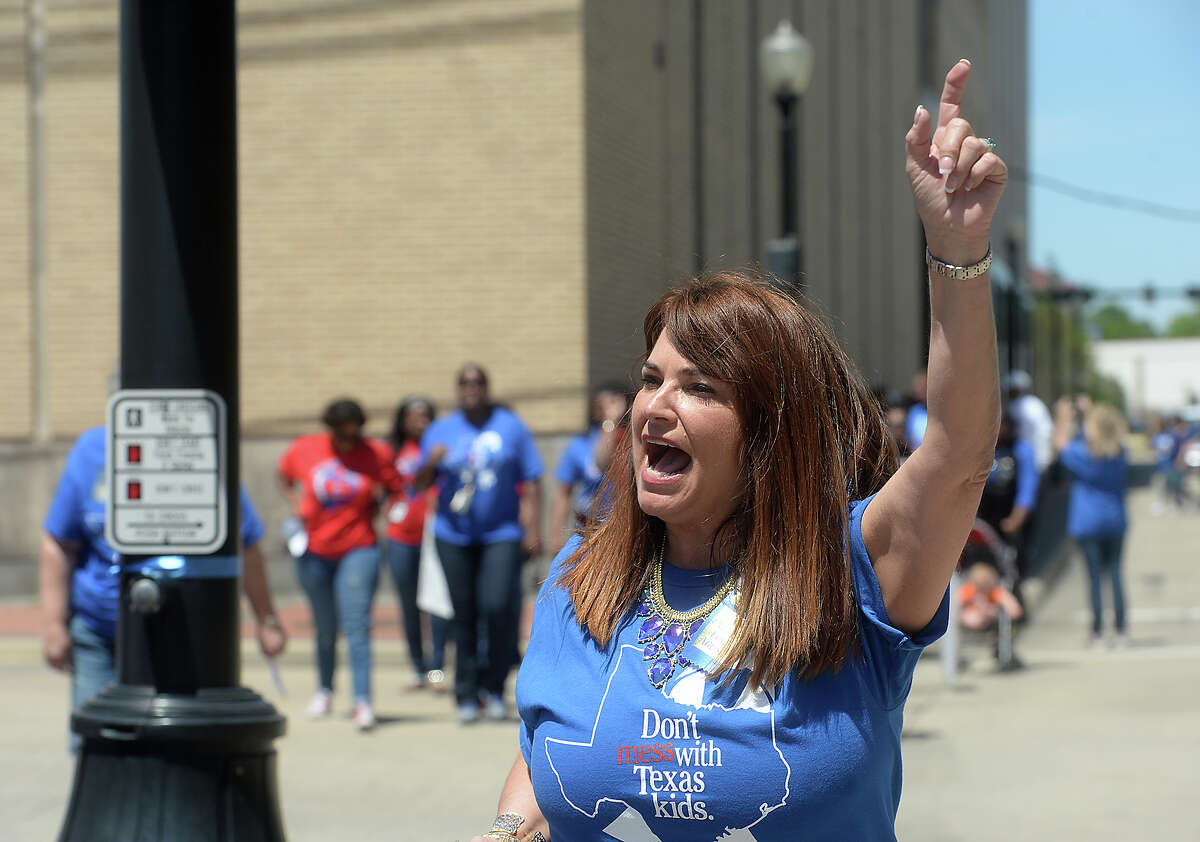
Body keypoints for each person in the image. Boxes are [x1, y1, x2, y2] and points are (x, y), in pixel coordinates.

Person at [471, 60, 1006, 841]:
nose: (655, 405)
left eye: (700, 388)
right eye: (651, 379)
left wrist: (956, 251)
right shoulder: (580, 577)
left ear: (769, 434)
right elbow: (544, 744)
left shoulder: (855, 571)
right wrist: (502, 830)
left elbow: (958, 456)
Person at [40, 426, 287, 751]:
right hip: (100, 630)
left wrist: (266, 620)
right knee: (96, 742)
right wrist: (54, 626)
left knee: (175, 746)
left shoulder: (198, 447)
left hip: (182, 634)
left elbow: (246, 543)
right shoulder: (92, 449)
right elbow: (59, 542)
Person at [418, 364, 544, 724]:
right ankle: (467, 692)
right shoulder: (442, 429)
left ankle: (494, 686)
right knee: (464, 613)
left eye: (477, 382)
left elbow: (532, 479)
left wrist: (532, 525)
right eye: (464, 382)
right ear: (457, 388)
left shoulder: (510, 426)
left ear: (486, 387)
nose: (470, 387)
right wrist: (432, 462)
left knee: (496, 604)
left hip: (501, 532)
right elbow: (417, 484)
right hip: (453, 534)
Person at [277, 397, 403, 730]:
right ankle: (325, 689)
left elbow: (394, 487)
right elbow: (283, 474)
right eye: (342, 435)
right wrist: (295, 503)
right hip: (314, 549)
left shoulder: (375, 453)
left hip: (358, 549)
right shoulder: (306, 448)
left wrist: (380, 509)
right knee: (324, 627)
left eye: (354, 434)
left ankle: (363, 700)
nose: (349, 442)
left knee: (357, 624)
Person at [383, 396, 449, 692]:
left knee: (435, 600)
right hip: (400, 536)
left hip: (435, 533)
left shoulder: (440, 447)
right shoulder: (392, 451)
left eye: (426, 414)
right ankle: (416, 665)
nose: (419, 420)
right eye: (413, 415)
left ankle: (437, 666)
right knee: (408, 602)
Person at [1054, 396, 1130, 648]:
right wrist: (1091, 414)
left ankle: (1097, 632)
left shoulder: (1083, 454)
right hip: (1115, 520)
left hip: (1087, 522)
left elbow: (1061, 444)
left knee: (1095, 578)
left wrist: (1064, 417)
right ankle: (1121, 629)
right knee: (1116, 575)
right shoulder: (1120, 453)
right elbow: (1103, 434)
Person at [549, 383, 630, 555]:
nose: (609, 408)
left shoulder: (632, 439)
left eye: (614, 402)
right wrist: (557, 534)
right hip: (587, 528)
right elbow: (564, 492)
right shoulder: (580, 443)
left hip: (622, 528)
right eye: (604, 404)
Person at [977, 410, 1040, 584]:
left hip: (1011, 523)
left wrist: (1016, 519)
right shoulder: (983, 450)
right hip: (986, 522)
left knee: (1012, 573)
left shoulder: (1021, 449)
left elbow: (1027, 488)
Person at [1006, 369, 1055, 472]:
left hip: (1032, 448)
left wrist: (1041, 454)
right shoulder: (1019, 404)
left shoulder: (1028, 405)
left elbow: (1041, 431)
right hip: (1027, 448)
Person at [904, 368, 929, 452]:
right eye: (916, 385)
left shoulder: (940, 413)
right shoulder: (914, 411)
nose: (916, 389)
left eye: (920, 385)